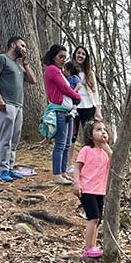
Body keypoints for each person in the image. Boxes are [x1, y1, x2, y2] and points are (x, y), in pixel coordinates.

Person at [0, 35, 37, 182]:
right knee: (6, 138)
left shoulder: (19, 65)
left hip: (18, 105)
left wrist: (26, 63)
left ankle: (10, 168)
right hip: (5, 104)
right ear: (12, 45)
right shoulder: (1, 59)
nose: (24, 48)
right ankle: (3, 170)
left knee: (14, 139)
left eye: (25, 47)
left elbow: (33, 80)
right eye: (21, 45)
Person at [72, 119, 112, 258]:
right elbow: (77, 168)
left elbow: (115, 161)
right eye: (98, 130)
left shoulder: (106, 152)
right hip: (87, 189)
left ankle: (92, 247)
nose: (103, 133)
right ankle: (88, 247)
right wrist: (76, 183)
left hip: (100, 190)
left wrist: (106, 146)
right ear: (90, 135)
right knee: (93, 217)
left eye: (104, 130)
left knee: (98, 219)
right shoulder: (86, 150)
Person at [43, 44, 81, 184]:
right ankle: (57, 174)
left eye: (65, 57)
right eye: (60, 57)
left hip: (68, 111)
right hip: (59, 111)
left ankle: (64, 172)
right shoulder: (52, 70)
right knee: (60, 144)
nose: (63, 60)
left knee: (66, 144)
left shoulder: (60, 71)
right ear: (53, 57)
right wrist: (77, 96)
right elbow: (64, 88)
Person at [67, 45, 102, 173]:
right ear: (75, 54)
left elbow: (95, 92)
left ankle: (90, 163)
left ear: (86, 57)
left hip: (88, 107)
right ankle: (69, 164)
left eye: (83, 54)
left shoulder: (89, 73)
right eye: (78, 53)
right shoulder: (69, 70)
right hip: (74, 106)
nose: (80, 56)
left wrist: (97, 110)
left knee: (90, 136)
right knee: (72, 136)